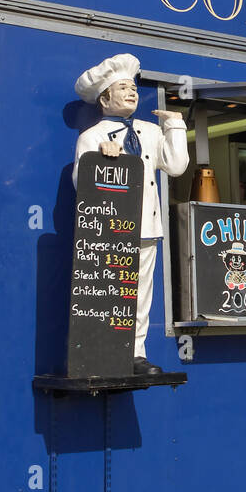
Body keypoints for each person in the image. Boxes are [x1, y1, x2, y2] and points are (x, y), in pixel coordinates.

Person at [73, 53, 188, 375]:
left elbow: (176, 166)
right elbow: (81, 185)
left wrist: (175, 125)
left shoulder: (150, 131)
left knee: (140, 296)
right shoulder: (92, 137)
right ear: (105, 97)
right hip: (110, 233)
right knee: (108, 294)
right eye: (123, 87)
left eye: (133, 87)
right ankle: (102, 352)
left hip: (147, 229)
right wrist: (102, 161)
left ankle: (135, 354)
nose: (132, 92)